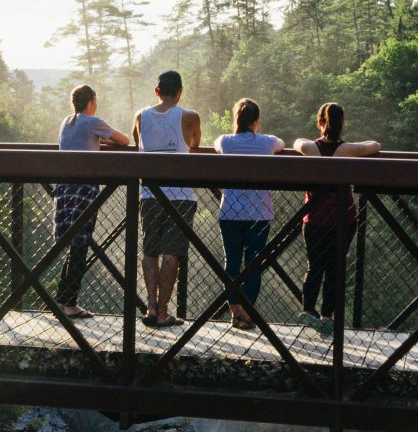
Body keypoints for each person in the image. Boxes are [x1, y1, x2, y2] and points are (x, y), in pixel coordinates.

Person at [292, 101, 380, 334]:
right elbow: (375, 145)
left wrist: (307, 140)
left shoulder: (311, 148)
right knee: (334, 268)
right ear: (342, 123)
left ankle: (308, 310)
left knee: (315, 266)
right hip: (343, 219)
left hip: (314, 219)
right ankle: (327, 317)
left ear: (320, 123)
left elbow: (296, 142)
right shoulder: (348, 150)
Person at [132, 69, 205, 328]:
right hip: (181, 196)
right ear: (180, 92)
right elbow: (195, 143)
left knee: (149, 250)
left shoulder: (141, 115)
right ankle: (163, 311)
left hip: (149, 193)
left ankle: (150, 307)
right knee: (172, 253)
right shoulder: (189, 116)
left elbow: (136, 141)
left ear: (157, 92)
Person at [53, 83, 131, 318]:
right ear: (91, 102)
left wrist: (97, 141)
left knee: (72, 245)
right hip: (83, 191)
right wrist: (103, 140)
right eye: (95, 101)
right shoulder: (92, 122)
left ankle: (62, 300)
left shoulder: (67, 122)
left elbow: (82, 142)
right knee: (80, 245)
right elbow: (124, 140)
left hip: (64, 189)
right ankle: (69, 304)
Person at [214, 98, 284, 329]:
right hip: (259, 212)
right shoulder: (267, 143)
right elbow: (281, 144)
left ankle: (235, 312)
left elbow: (215, 144)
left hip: (231, 211)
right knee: (253, 264)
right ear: (256, 121)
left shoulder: (226, 142)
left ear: (236, 119)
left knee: (231, 262)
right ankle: (247, 312)